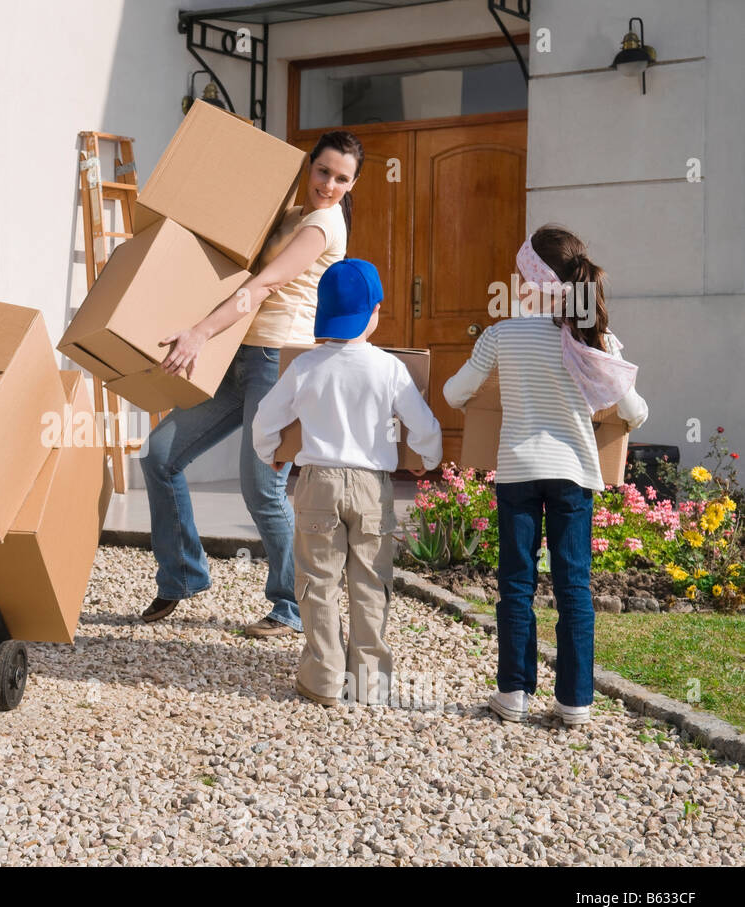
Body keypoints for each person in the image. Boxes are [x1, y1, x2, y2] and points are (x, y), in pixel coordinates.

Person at [139, 131, 363, 637]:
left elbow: (263, 285)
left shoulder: (323, 225)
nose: (328, 184)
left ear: (353, 185)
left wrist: (199, 333)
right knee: (158, 455)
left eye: (341, 178)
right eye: (323, 171)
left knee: (262, 488)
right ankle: (184, 575)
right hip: (239, 356)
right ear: (310, 166)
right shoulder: (292, 212)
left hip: (276, 363)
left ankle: (292, 604)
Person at [443, 225, 647, 726]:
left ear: (532, 281)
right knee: (573, 585)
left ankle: (513, 693)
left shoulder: (501, 335)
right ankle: (575, 701)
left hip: (517, 472)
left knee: (516, 582)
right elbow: (635, 412)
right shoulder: (596, 339)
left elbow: (453, 393)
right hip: (575, 475)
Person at [252, 259, 442, 705]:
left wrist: (271, 454)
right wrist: (426, 458)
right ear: (375, 310)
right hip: (373, 486)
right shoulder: (389, 368)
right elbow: (425, 424)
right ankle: (370, 682)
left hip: (317, 483)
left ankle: (322, 679)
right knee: (371, 582)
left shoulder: (304, 367)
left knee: (318, 583)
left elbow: (265, 420)